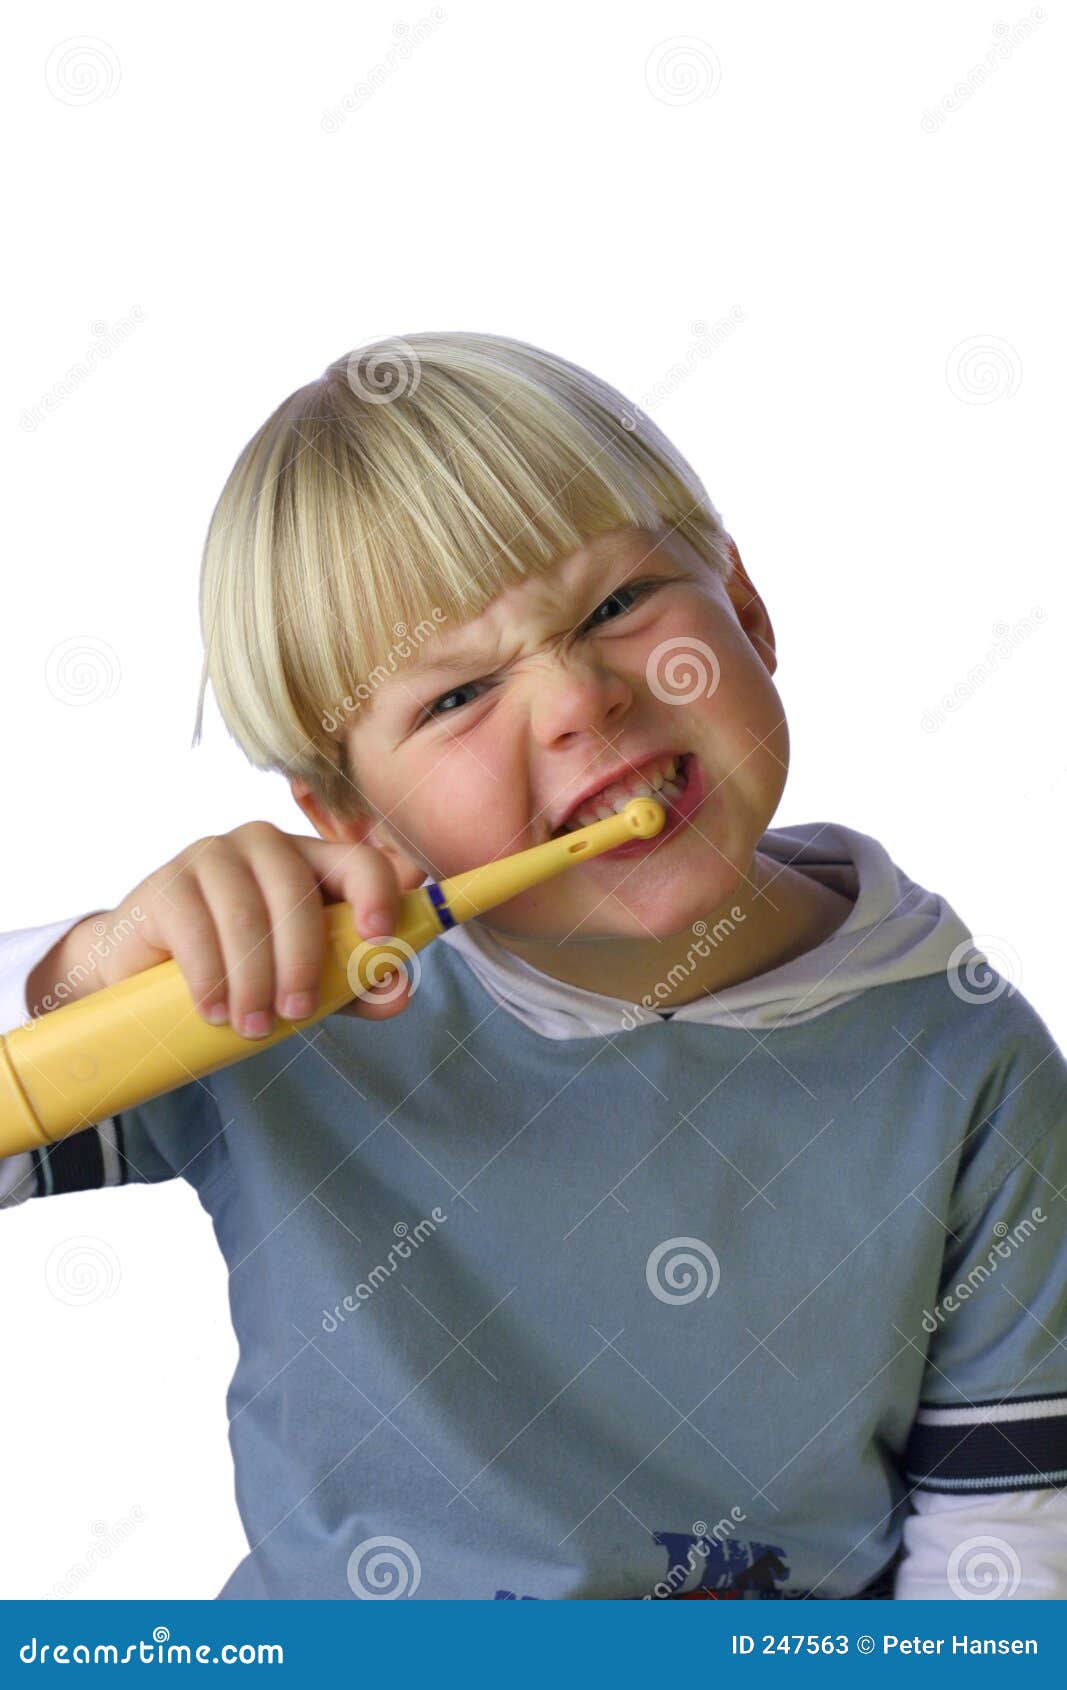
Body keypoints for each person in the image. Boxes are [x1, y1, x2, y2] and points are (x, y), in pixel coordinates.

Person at [2, 331, 1065, 1600]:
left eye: (616, 606)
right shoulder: (290, 1003)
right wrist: (94, 972)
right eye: (453, 698)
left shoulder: (960, 1054)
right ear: (352, 818)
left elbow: (1001, 1568)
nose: (577, 700)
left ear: (748, 609)